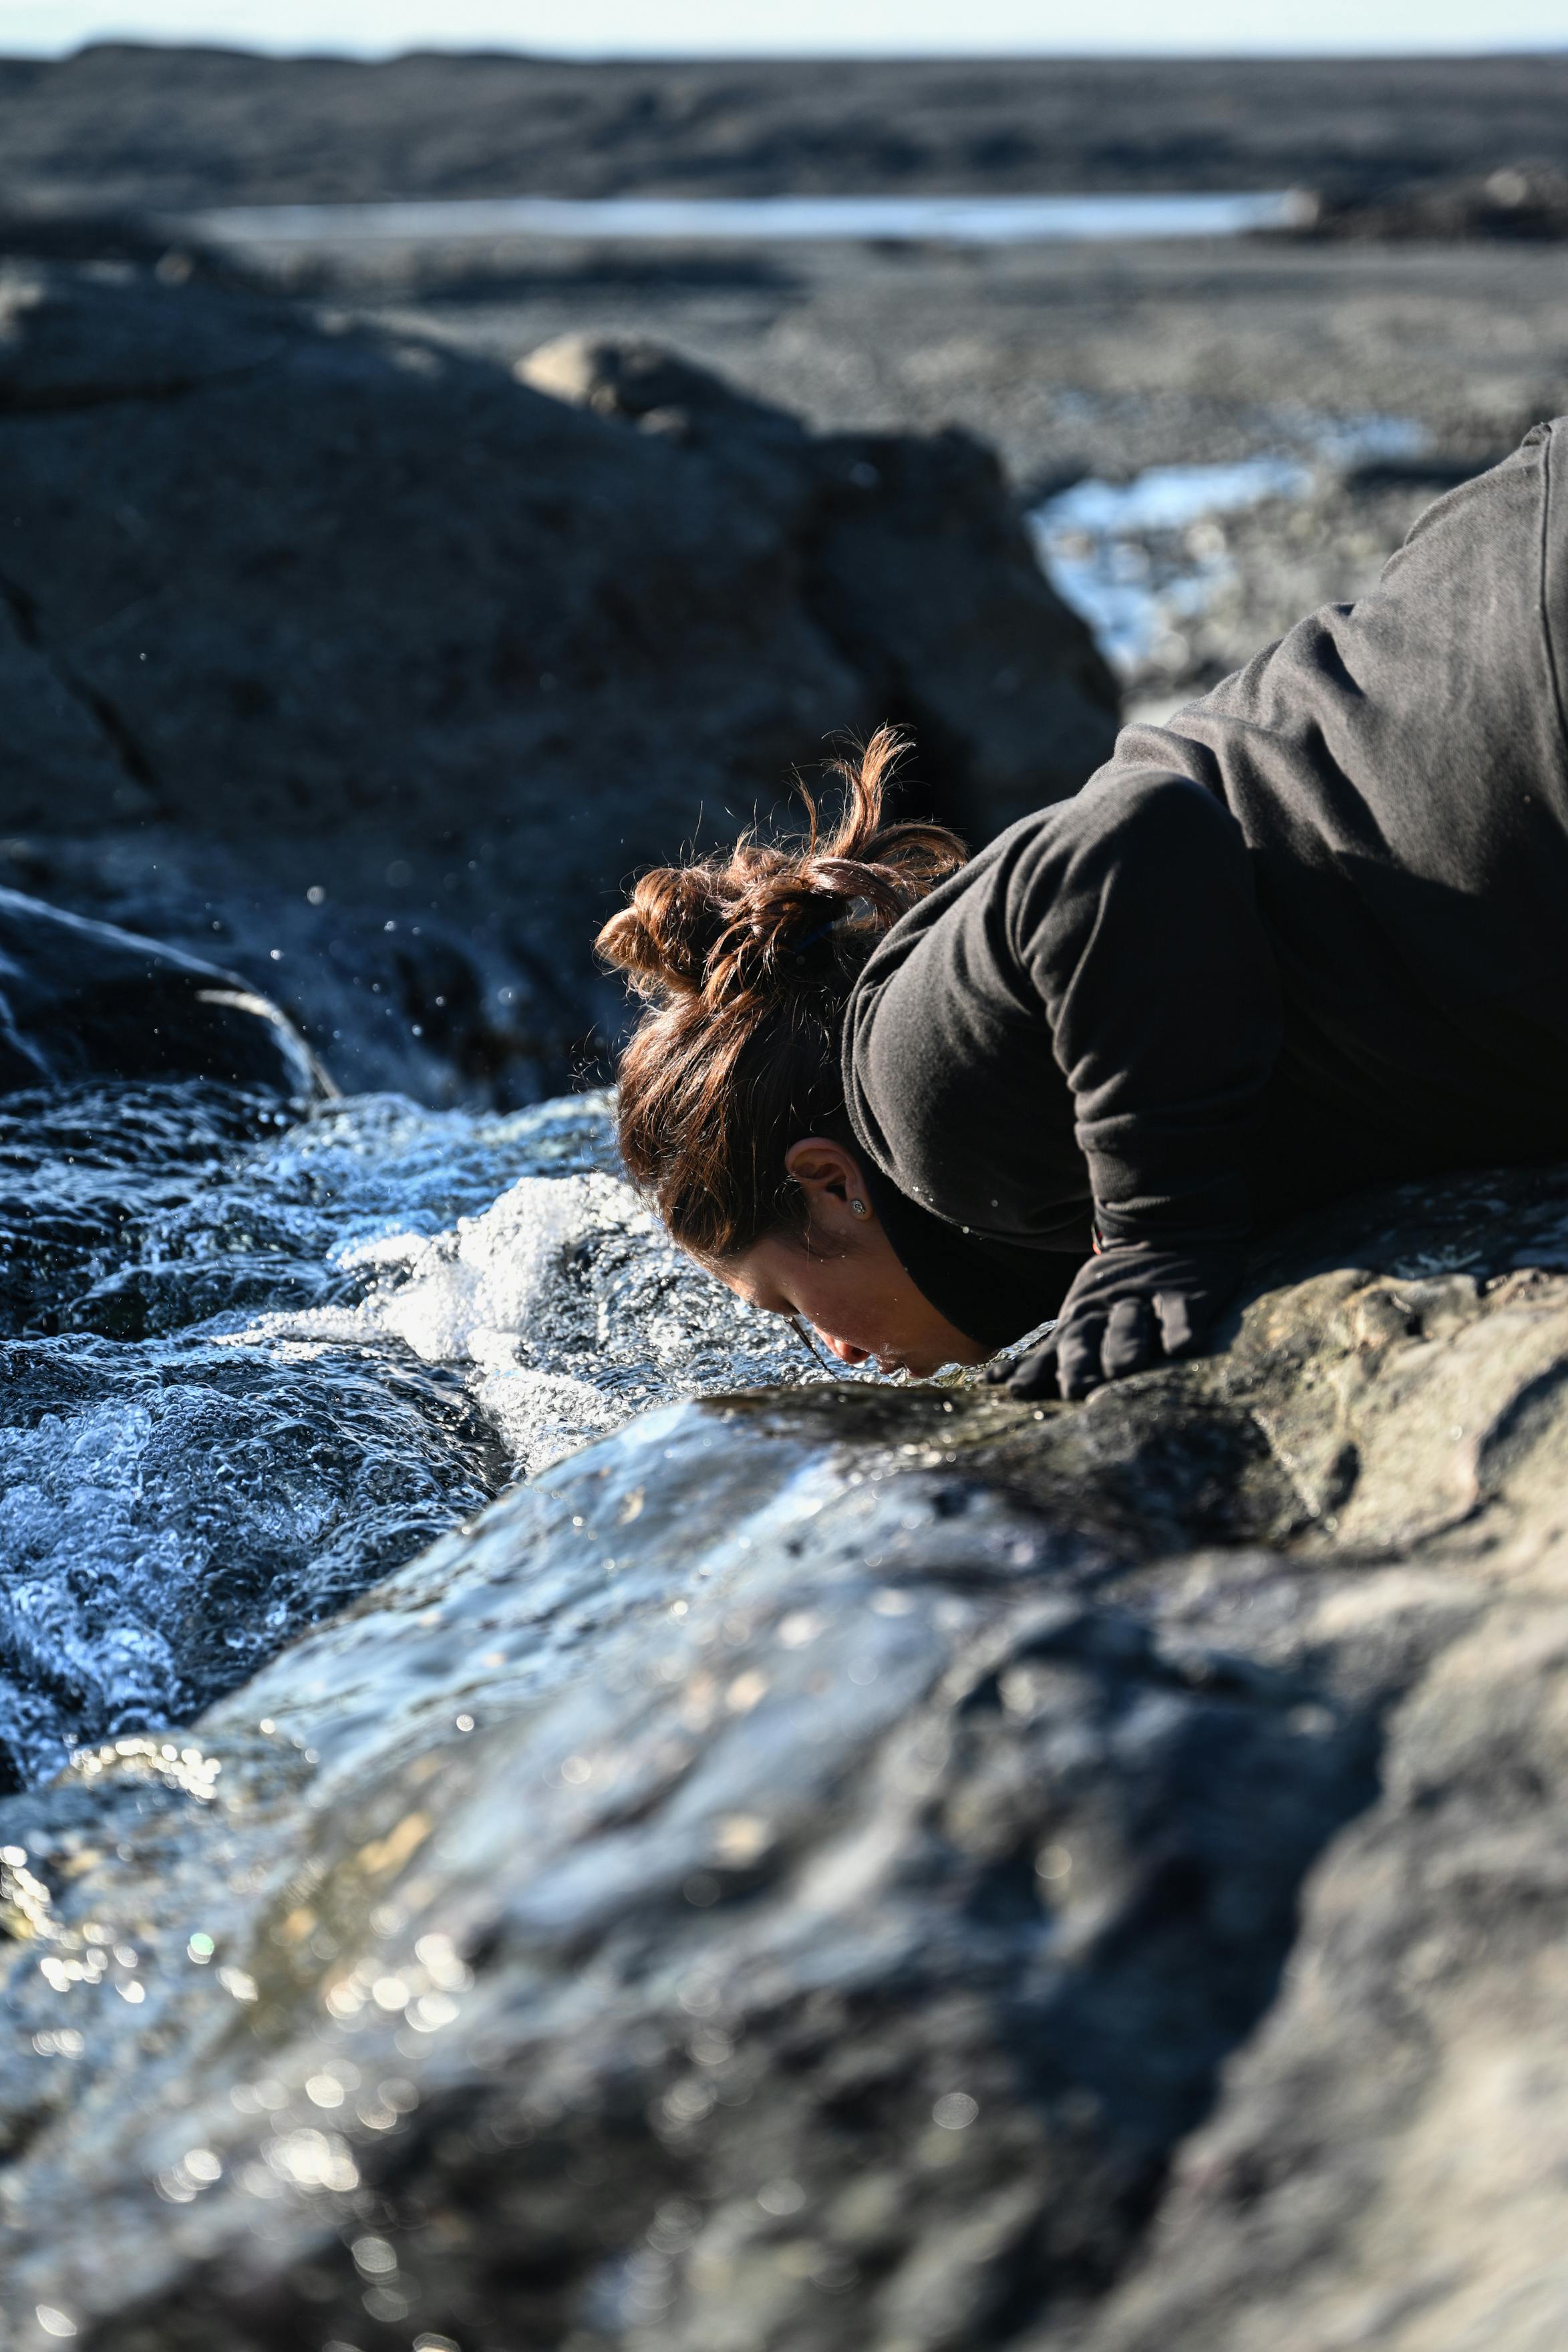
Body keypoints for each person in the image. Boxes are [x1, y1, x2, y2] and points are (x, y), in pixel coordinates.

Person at [597, 418, 1568, 1398]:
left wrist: (1158, 1236)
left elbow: (1124, 843)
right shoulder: (1049, 1128)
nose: (843, 1357)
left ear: (832, 1185)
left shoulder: (908, 1106)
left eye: (793, 1311)